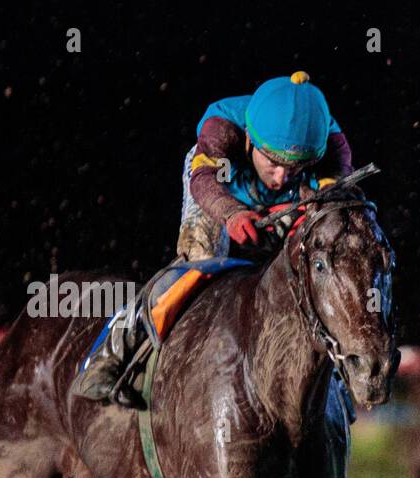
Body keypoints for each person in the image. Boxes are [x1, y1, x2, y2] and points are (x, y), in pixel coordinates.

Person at [75, 71, 353, 402]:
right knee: (200, 261)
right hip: (216, 189)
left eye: (294, 167)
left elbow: (330, 201)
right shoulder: (222, 127)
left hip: (286, 204)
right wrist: (231, 213)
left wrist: (308, 220)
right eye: (274, 162)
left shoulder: (332, 144)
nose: (280, 177)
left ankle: (336, 381)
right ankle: (111, 354)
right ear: (249, 138)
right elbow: (204, 181)